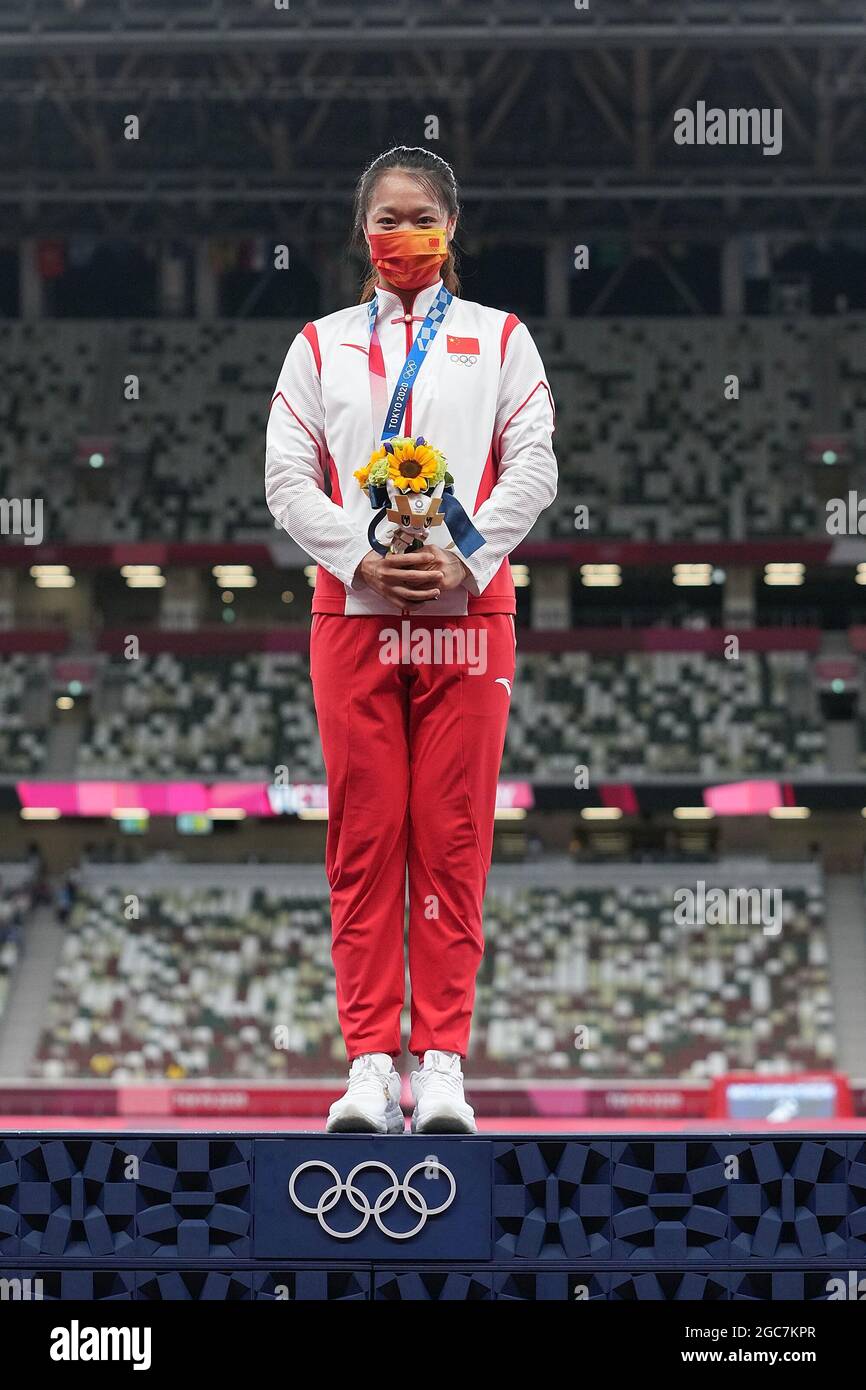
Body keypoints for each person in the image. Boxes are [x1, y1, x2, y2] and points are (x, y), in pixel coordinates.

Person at [265, 145, 557, 1134]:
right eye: (384, 218)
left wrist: (461, 557)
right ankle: (364, 1066)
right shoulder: (319, 345)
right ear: (361, 231)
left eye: (419, 216)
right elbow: (285, 481)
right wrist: (360, 558)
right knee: (364, 838)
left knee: (452, 837)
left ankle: (438, 1065)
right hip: (352, 613)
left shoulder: (500, 337)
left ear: (450, 227)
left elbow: (533, 467)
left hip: (465, 616)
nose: (401, 234)